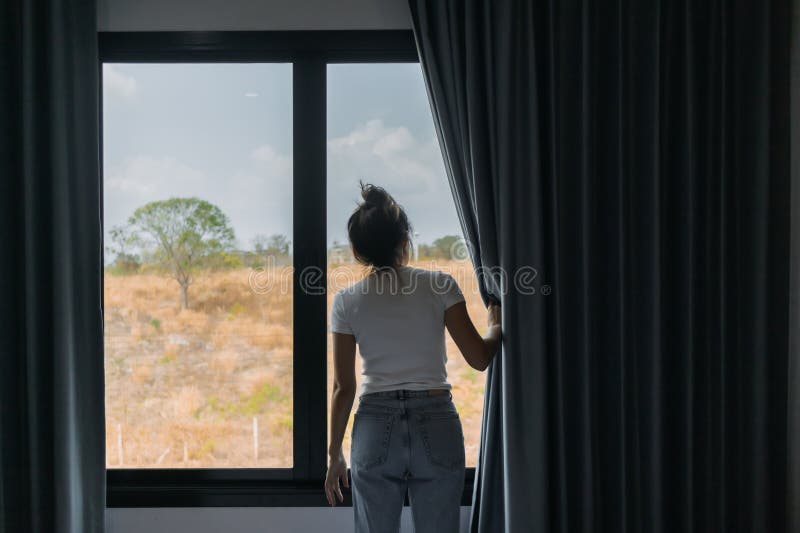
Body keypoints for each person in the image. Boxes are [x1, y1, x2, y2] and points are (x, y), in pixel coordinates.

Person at [324, 182, 502, 533]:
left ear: (358, 250)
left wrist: (334, 455)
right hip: (435, 420)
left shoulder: (346, 301)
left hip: (374, 425)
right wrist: (495, 325)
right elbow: (480, 358)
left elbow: (344, 387)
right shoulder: (440, 285)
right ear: (404, 239)